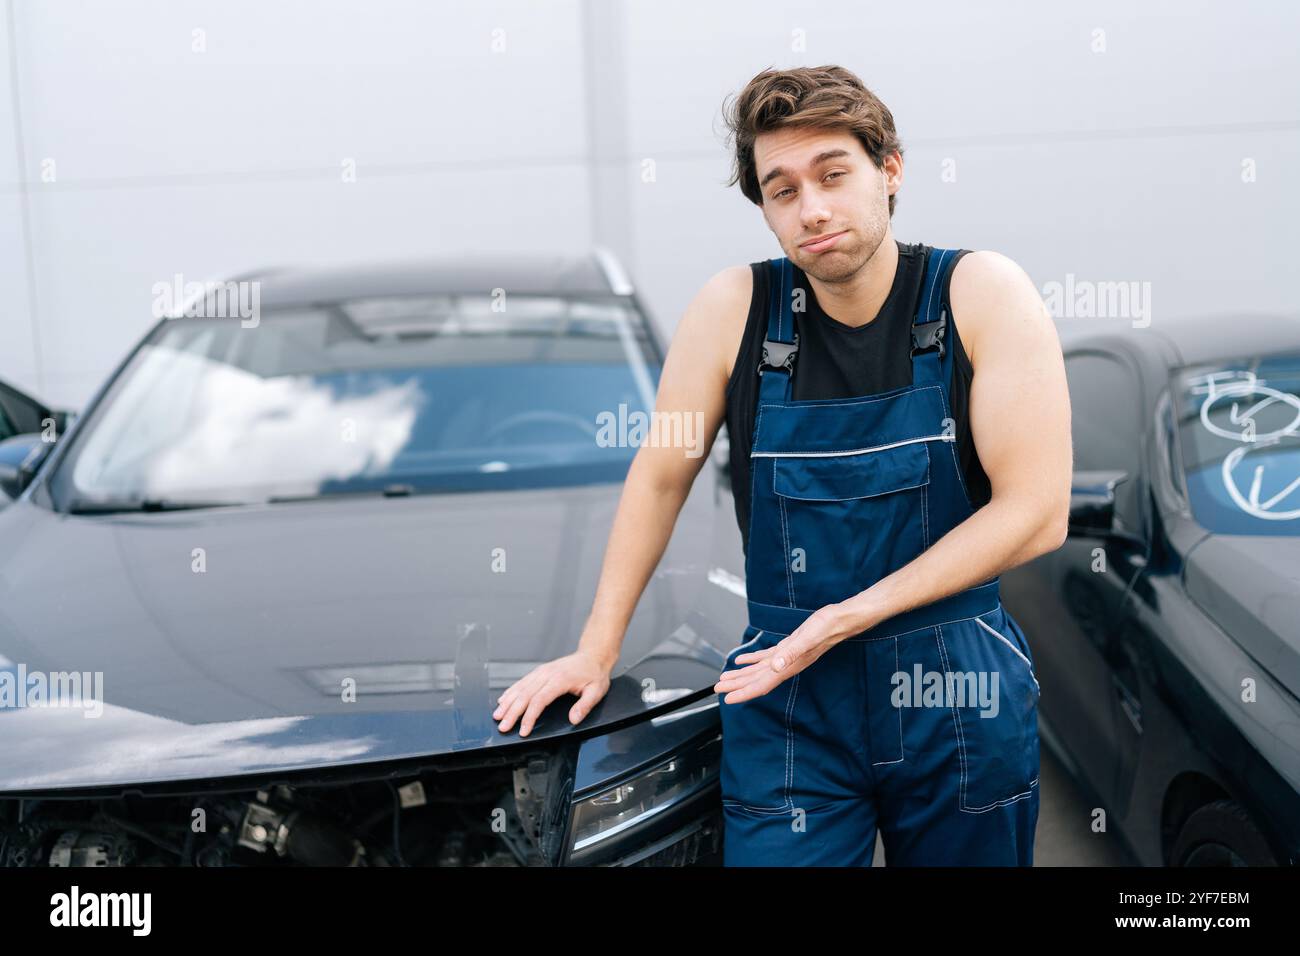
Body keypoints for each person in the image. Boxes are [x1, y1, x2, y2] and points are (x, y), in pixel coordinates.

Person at [492, 64, 1072, 866]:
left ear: (889, 169)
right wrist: (597, 649)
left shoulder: (978, 293)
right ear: (764, 208)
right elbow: (661, 476)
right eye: (783, 190)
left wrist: (840, 620)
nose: (813, 208)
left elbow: (1037, 511)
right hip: (787, 693)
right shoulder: (735, 310)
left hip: (955, 690)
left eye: (834, 174)